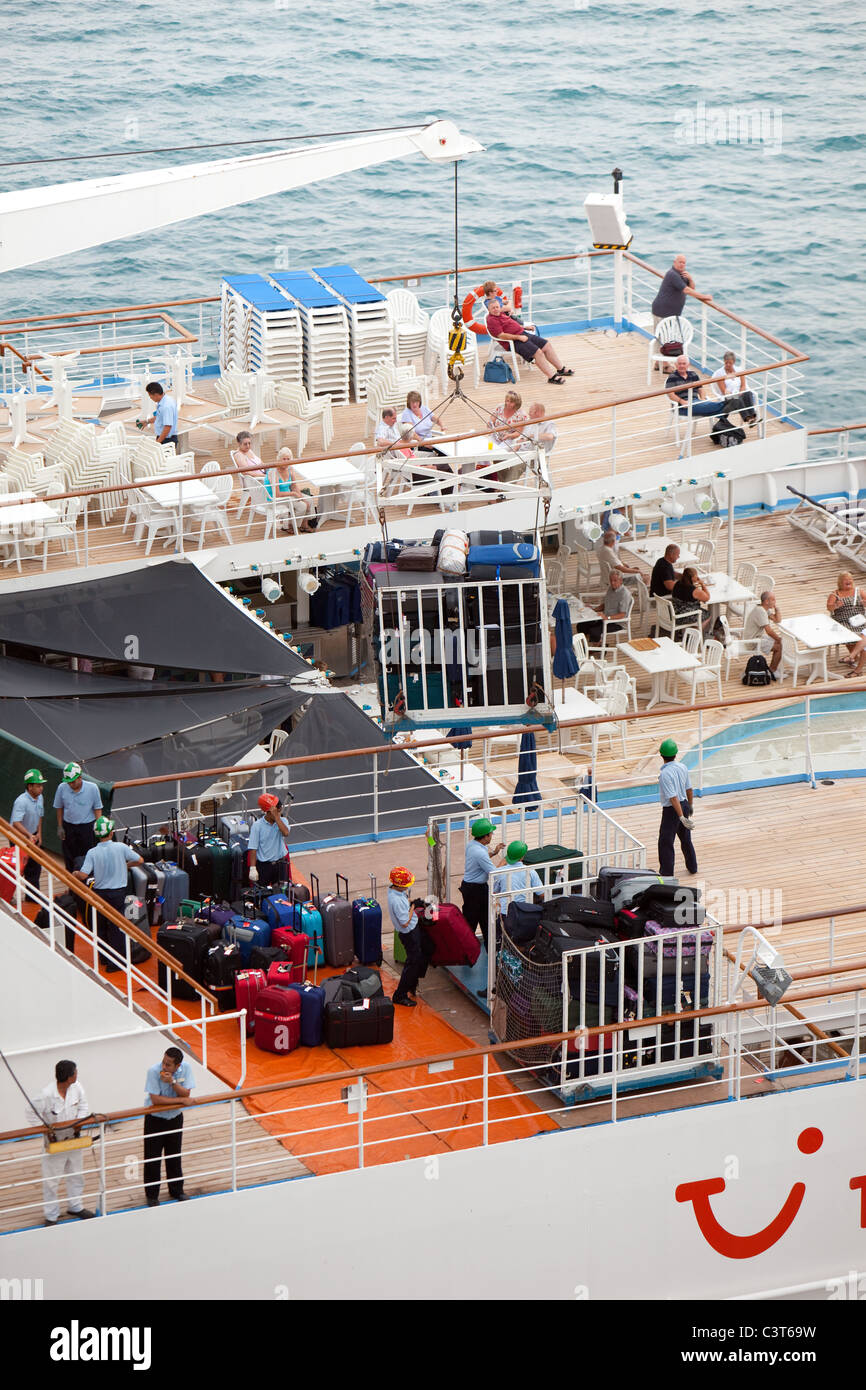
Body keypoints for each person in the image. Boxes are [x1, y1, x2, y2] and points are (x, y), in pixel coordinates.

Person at [26, 1060, 97, 1227]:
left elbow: (83, 1105)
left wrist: (79, 1122)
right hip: (55, 1142)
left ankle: (75, 1206)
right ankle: (51, 1215)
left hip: (73, 1139)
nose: (77, 1074)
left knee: (76, 1174)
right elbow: (30, 1113)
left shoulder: (77, 1087)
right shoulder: (46, 1095)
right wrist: (46, 1130)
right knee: (51, 1180)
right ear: (69, 1076)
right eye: (75, 1072)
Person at [74, 816, 148, 972]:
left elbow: (83, 875)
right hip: (118, 893)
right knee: (116, 927)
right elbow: (140, 860)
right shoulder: (121, 847)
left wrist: (75, 873)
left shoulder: (92, 852)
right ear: (111, 833)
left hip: (99, 894)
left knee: (100, 927)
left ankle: (103, 958)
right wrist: (127, 865)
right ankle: (115, 963)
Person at [143, 1047, 194, 1207]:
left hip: (175, 1118)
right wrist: (181, 1101)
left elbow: (186, 1093)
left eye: (168, 1065)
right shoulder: (153, 1071)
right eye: (163, 1062)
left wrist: (172, 1082)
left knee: (174, 1155)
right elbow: (156, 1100)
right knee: (152, 1158)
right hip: (155, 1120)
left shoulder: (186, 1069)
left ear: (178, 1066)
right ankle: (152, 1195)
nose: (164, 1067)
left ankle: (177, 1190)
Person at [484, 296, 572, 384]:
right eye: (493, 308)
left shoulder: (501, 313)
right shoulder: (492, 320)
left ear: (500, 307)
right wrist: (518, 337)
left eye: (497, 307)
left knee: (546, 345)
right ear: (489, 309)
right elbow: (501, 335)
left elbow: (512, 325)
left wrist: (525, 327)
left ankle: (561, 369)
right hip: (513, 341)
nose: (496, 309)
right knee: (538, 353)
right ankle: (551, 377)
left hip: (522, 334)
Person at [459, 817, 504, 946]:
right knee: (478, 922)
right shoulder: (480, 852)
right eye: (491, 833)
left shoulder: (472, 845)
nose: (492, 835)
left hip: (471, 887)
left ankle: (473, 949)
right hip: (475, 891)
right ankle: (477, 949)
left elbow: (480, 860)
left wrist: (494, 853)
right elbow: (494, 873)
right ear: (485, 836)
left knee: (477, 920)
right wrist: (504, 861)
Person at [657, 739, 698, 877]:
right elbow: (689, 789)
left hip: (673, 810)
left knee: (666, 841)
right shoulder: (683, 767)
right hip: (684, 804)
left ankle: (667, 873)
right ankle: (692, 867)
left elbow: (673, 798)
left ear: (661, 755)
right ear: (676, 754)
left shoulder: (665, 774)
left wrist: (681, 817)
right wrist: (690, 806)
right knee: (686, 838)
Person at [387, 866, 425, 1008]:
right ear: (398, 885)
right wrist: (413, 906)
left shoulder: (395, 890)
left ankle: (412, 984)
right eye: (406, 885)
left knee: (419, 958)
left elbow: (405, 900)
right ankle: (400, 995)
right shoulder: (395, 900)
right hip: (409, 933)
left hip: (412, 930)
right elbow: (404, 922)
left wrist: (412, 902)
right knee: (412, 964)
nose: (407, 887)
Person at [54, 762, 102, 873]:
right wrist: (60, 826)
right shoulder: (62, 788)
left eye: (73, 781)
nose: (70, 784)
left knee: (87, 856)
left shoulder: (92, 788)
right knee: (69, 856)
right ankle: (71, 880)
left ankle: (87, 879)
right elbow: (59, 807)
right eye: (69, 782)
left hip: (87, 828)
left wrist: (99, 827)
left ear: (80, 777)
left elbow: (97, 808)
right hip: (69, 827)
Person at [650, 254, 712, 332]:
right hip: (662, 311)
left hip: (672, 313)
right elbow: (687, 290)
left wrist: (690, 279)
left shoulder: (682, 274)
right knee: (661, 335)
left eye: (684, 263)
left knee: (669, 336)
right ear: (674, 262)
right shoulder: (672, 274)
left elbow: (692, 289)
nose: (682, 264)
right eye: (680, 262)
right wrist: (705, 297)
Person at [11, 768, 46, 898]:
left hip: (33, 836)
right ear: (30, 787)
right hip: (19, 838)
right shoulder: (21, 801)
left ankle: (33, 897)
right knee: (17, 869)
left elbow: (40, 815)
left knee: (35, 868)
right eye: (38, 785)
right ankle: (8, 895)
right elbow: (16, 823)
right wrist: (28, 835)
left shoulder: (40, 797)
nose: (41, 788)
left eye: (41, 785)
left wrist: (39, 834)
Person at [265, 447, 317, 532]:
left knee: (309, 500)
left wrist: (301, 497)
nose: (286, 461)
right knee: (302, 506)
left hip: (288, 494)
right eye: (284, 459)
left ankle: (304, 525)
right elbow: (277, 494)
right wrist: (294, 494)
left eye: (288, 459)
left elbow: (294, 486)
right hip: (275, 499)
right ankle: (289, 525)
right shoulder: (273, 472)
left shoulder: (290, 468)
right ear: (279, 459)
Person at [579, 570, 634, 646]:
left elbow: (622, 614)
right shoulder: (611, 589)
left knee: (594, 631)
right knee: (582, 625)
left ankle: (598, 646)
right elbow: (605, 604)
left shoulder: (624, 594)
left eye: (615, 580)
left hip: (617, 622)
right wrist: (593, 609)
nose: (612, 583)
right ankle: (598, 644)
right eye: (611, 580)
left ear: (621, 581)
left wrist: (607, 618)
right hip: (605, 618)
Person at [826, 572, 866, 675]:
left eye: (850, 579)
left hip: (860, 620)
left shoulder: (859, 591)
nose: (848, 581)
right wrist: (836, 605)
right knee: (849, 634)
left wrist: (865, 603)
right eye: (845, 580)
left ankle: (852, 657)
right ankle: (854, 657)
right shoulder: (835, 594)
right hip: (843, 621)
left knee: (864, 634)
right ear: (840, 582)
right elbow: (829, 607)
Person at [248, 793, 291, 887]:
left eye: (279, 812)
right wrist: (253, 868)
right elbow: (253, 848)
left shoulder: (283, 821)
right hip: (264, 866)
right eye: (276, 812)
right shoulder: (257, 826)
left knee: (281, 891)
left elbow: (286, 833)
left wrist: (277, 818)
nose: (279, 814)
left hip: (280, 864)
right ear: (268, 812)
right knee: (262, 891)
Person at [492, 841, 543, 913]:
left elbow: (495, 891)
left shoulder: (499, 872)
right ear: (522, 857)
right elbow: (542, 894)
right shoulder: (530, 871)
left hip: (505, 912)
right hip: (524, 911)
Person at [743, 590, 783, 673]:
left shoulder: (764, 609)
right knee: (779, 647)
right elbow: (769, 631)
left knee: (779, 643)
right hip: (753, 641)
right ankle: (772, 671)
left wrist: (777, 609)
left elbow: (777, 620)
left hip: (757, 637)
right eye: (773, 600)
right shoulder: (760, 611)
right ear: (766, 601)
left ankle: (773, 669)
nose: (775, 601)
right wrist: (779, 639)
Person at [230, 430, 265, 512]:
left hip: (262, 476)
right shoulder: (239, 455)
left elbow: (261, 463)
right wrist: (263, 476)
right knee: (280, 481)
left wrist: (269, 469)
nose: (248, 446)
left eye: (249, 443)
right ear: (239, 444)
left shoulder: (249, 451)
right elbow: (246, 472)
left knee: (285, 474)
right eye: (245, 444)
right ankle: (280, 505)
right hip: (254, 481)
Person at [671, 566, 712, 635]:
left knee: (698, 612)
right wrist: (702, 584)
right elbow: (707, 597)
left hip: (675, 613)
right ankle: (694, 635)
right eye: (696, 575)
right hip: (684, 617)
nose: (697, 577)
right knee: (707, 614)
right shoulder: (693, 590)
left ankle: (687, 631)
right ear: (692, 577)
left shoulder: (677, 584)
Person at [137, 382, 179, 447]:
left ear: (156, 394)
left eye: (150, 395)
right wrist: (147, 422)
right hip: (163, 437)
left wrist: (157, 443)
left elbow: (168, 427)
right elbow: (159, 417)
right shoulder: (165, 400)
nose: (150, 397)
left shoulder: (166, 406)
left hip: (167, 439)